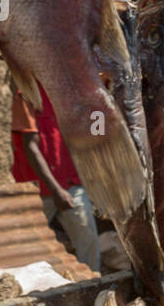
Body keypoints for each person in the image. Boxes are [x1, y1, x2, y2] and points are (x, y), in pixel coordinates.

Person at [11, 82, 102, 273]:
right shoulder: (26, 96)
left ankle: (92, 284)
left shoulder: (68, 94)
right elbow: (31, 147)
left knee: (88, 240)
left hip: (69, 183)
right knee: (28, 248)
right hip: (38, 188)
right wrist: (56, 190)